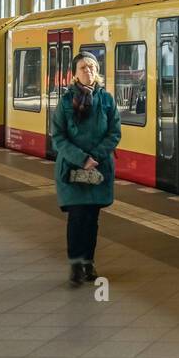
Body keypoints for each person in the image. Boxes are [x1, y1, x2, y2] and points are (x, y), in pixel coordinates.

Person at [51, 51, 121, 286]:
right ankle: (75, 265)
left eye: (91, 67)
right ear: (74, 73)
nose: (88, 71)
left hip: (98, 169)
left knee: (92, 219)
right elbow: (58, 137)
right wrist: (82, 159)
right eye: (83, 67)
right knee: (77, 217)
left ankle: (88, 262)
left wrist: (96, 157)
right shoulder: (64, 102)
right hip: (72, 169)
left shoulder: (108, 100)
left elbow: (114, 133)